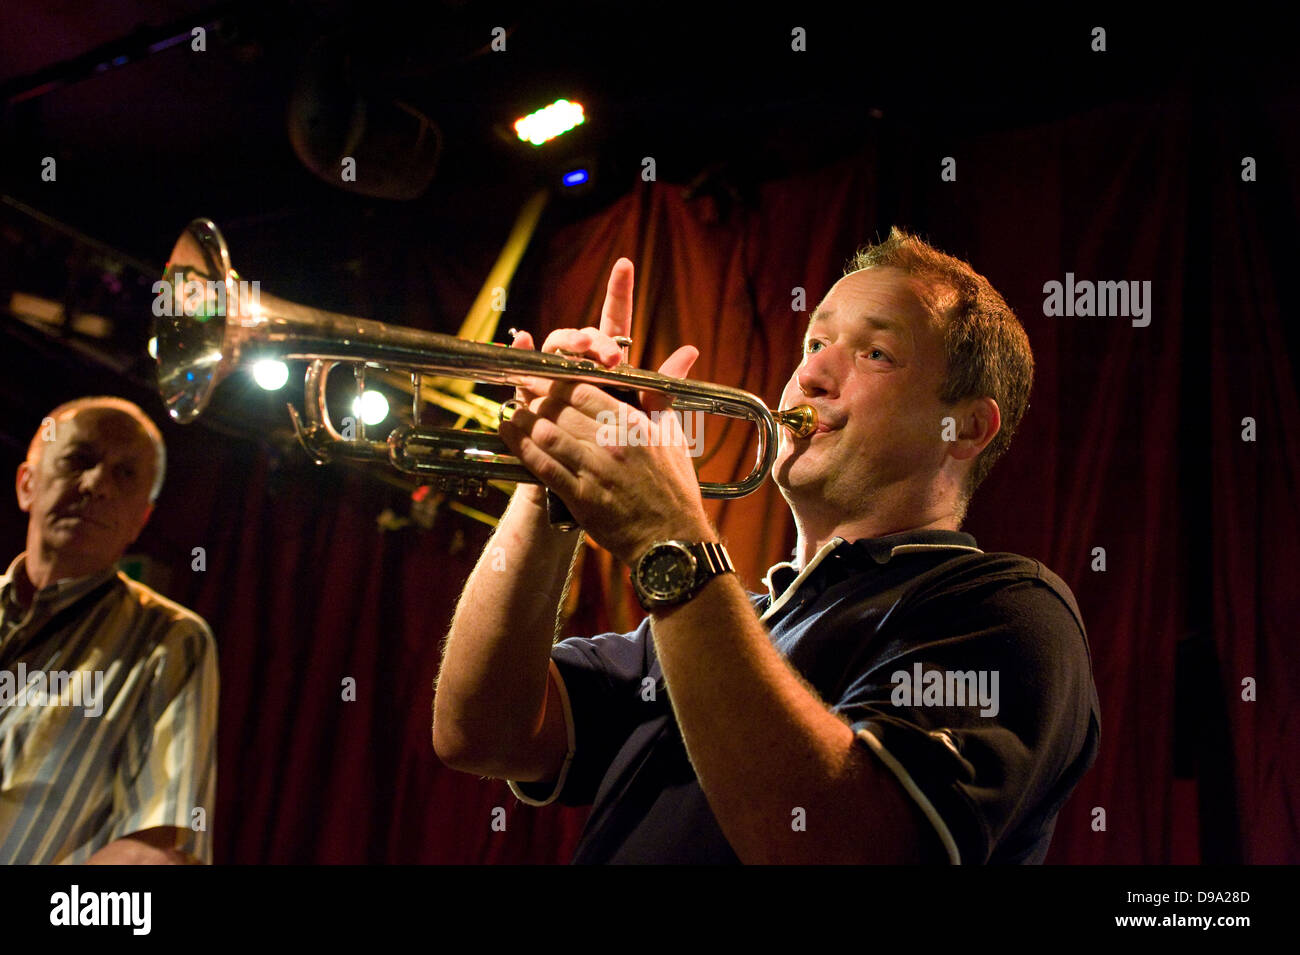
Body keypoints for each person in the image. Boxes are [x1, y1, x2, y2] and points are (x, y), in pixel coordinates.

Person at [432, 227, 1100, 864]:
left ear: (965, 427)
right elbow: (481, 731)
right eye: (814, 343)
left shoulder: (1005, 608)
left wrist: (673, 540)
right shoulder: (722, 624)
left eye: (874, 353)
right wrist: (552, 473)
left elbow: (843, 847)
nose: (811, 375)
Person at [0, 396, 217, 864]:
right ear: (26, 485)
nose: (97, 484)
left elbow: (155, 851)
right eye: (79, 460)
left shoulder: (173, 638)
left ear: (141, 520)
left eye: (125, 475)